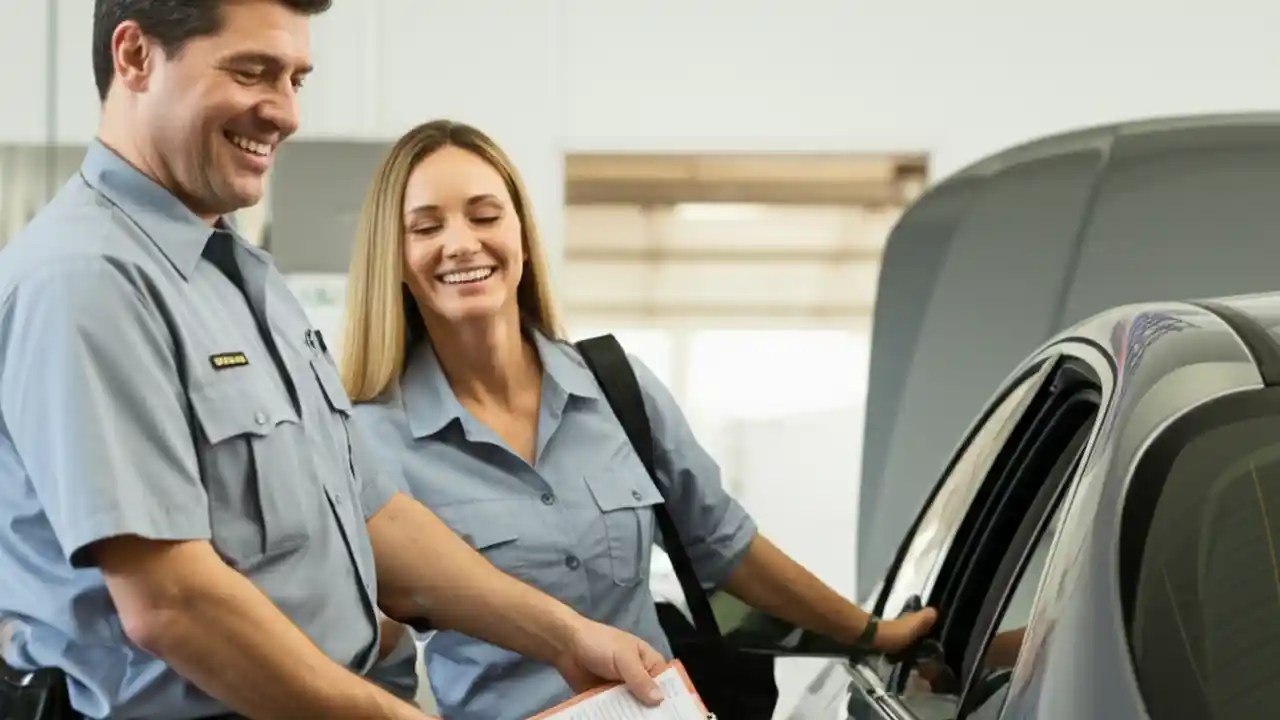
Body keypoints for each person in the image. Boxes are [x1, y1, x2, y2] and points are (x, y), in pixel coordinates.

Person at [0, 3, 670, 718]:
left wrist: (564, 636)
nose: (284, 113)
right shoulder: (86, 280)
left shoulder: (240, 278)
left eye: (296, 80)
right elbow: (174, 604)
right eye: (252, 72)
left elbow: (374, 517)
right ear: (134, 56)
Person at [339, 118, 941, 720]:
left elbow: (728, 548)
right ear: (394, 257)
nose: (462, 242)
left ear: (521, 232)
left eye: (485, 215)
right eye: (426, 226)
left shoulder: (614, 387)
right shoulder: (369, 440)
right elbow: (367, 640)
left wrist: (872, 634)